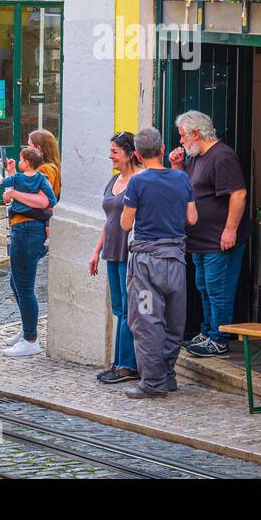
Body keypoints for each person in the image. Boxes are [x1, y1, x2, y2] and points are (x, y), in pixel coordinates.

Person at [120, 127, 197, 399]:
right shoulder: (182, 178)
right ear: (162, 150)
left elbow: (125, 223)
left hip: (146, 264)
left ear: (137, 155)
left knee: (147, 321)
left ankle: (153, 383)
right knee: (174, 321)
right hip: (175, 260)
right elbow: (192, 218)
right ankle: (168, 376)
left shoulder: (137, 182)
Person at [169, 110, 250, 357]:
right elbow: (185, 189)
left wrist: (230, 230)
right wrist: (176, 166)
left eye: (183, 135)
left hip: (219, 240)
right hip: (200, 240)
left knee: (218, 290)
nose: (181, 140)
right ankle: (207, 332)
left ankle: (219, 339)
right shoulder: (196, 157)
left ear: (196, 133)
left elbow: (239, 194)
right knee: (204, 287)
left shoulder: (222, 156)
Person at [87, 132, 141, 385]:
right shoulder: (114, 180)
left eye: (115, 152)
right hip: (112, 251)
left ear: (130, 154)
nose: (110, 156)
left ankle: (127, 365)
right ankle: (119, 362)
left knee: (129, 309)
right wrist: (96, 251)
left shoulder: (139, 179)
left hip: (129, 252)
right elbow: (108, 220)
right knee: (119, 309)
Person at [0, 146, 56, 358]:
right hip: (22, 229)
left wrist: (13, 192)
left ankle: (31, 339)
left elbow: (45, 202)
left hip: (27, 230)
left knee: (24, 287)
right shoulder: (32, 177)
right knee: (15, 282)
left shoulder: (44, 175)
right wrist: (12, 174)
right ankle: (27, 327)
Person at [5, 129, 61, 233]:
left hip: (29, 224)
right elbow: (27, 190)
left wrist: (13, 193)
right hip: (30, 223)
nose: (26, 149)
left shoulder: (44, 169)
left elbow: (37, 200)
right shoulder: (48, 167)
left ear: (38, 148)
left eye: (29, 145)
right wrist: (12, 171)